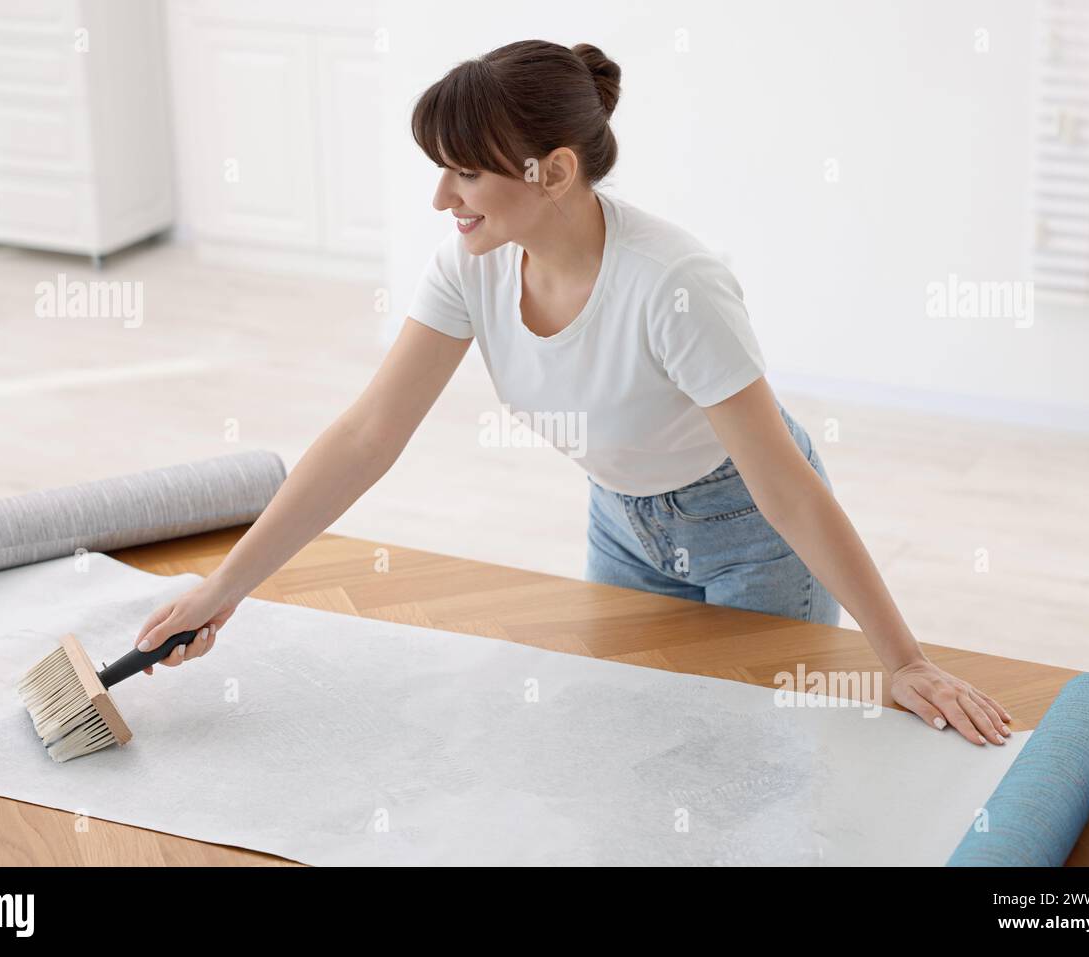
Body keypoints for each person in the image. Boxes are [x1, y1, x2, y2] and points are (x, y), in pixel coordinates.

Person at [134, 39, 1011, 748]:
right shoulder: (469, 266)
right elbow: (369, 434)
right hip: (621, 521)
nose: (442, 197)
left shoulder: (676, 285)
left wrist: (902, 661)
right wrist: (224, 589)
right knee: (635, 736)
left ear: (553, 172)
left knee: (760, 756)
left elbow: (787, 486)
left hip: (749, 531)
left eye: (466, 174)